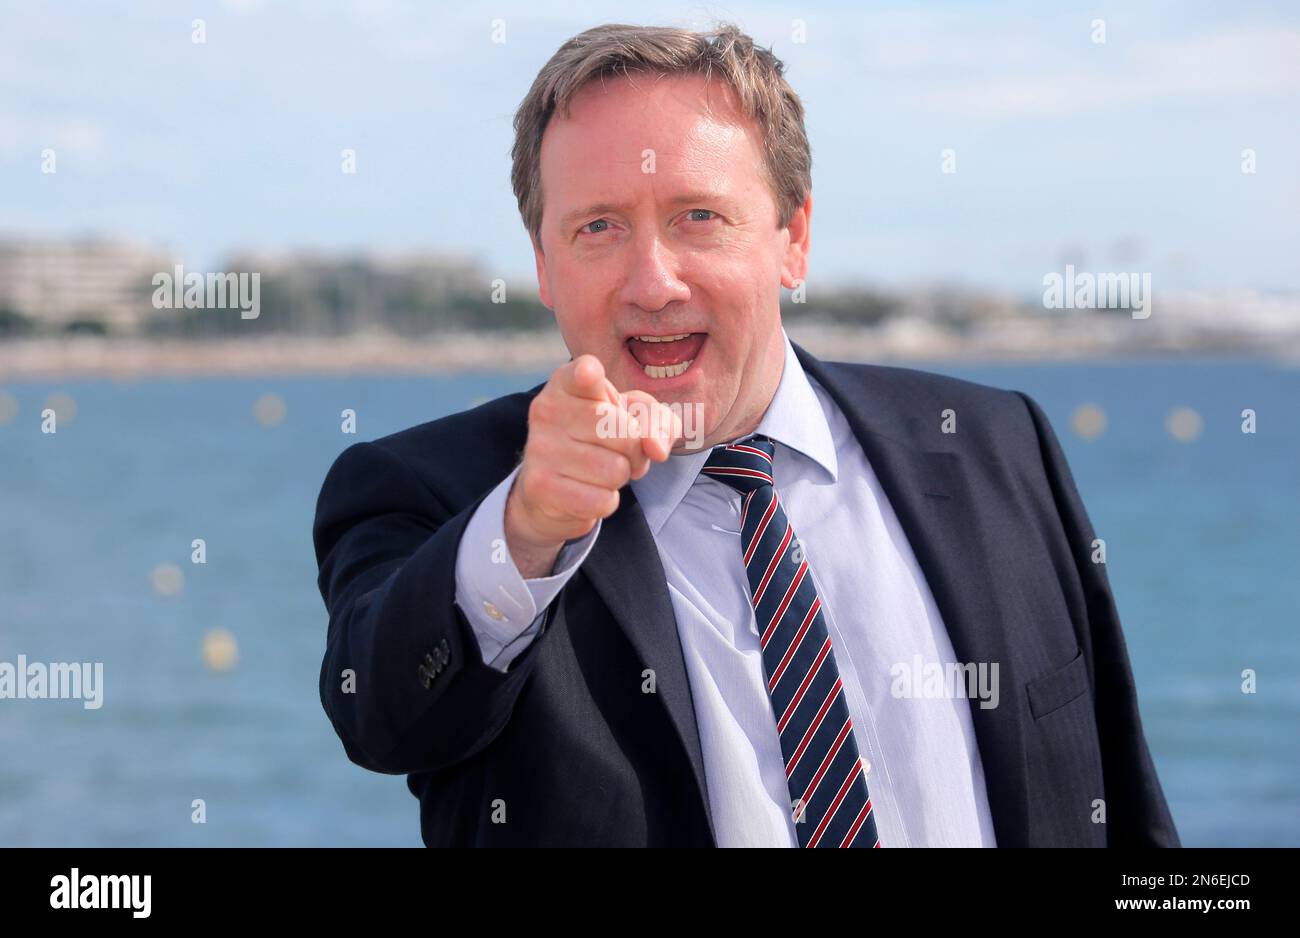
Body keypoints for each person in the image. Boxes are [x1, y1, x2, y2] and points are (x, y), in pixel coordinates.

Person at [312, 22, 1179, 847]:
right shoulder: (438, 494)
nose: (652, 283)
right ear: (543, 264)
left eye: (699, 216)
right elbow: (382, 716)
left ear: (792, 238)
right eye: (598, 228)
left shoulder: (996, 445)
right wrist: (526, 531)